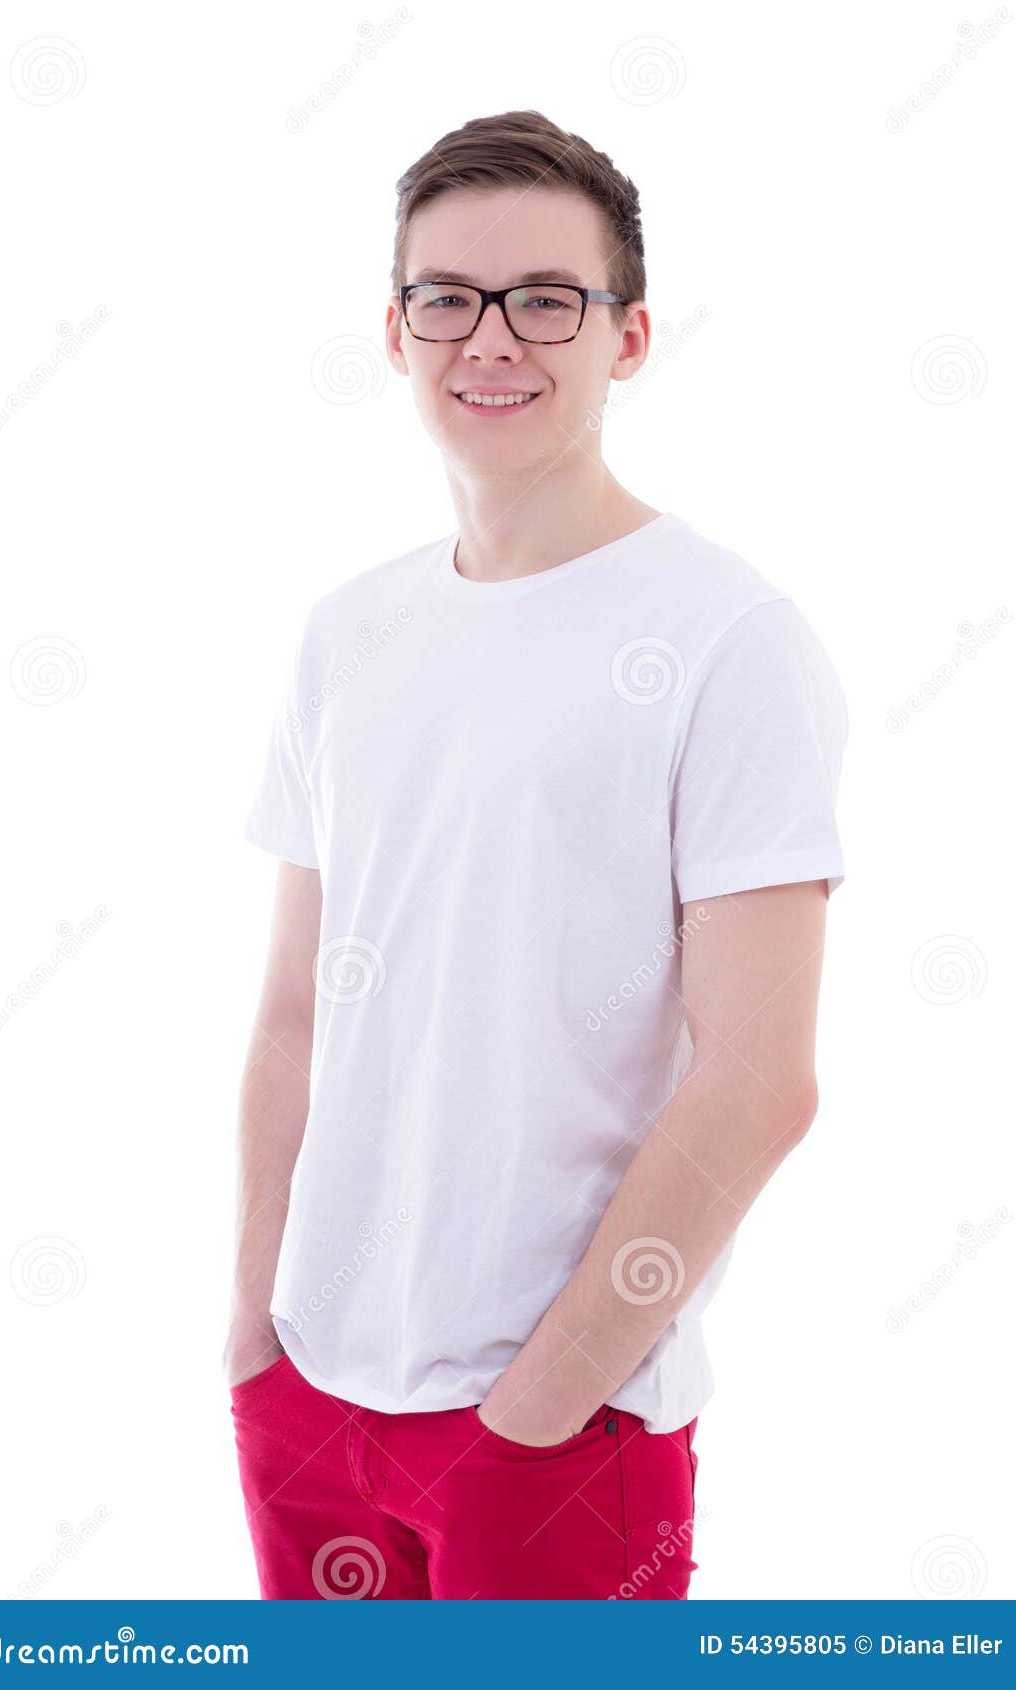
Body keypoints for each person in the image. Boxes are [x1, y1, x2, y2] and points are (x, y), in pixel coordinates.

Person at [225, 109, 848, 1601]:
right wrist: (255, 1340)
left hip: (555, 1430)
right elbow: (295, 1014)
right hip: (311, 1399)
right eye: (447, 295)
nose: (489, 337)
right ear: (394, 329)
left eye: (545, 299)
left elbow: (761, 1075)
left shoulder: (728, 640)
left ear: (627, 336)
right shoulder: (347, 631)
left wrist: (540, 1403)